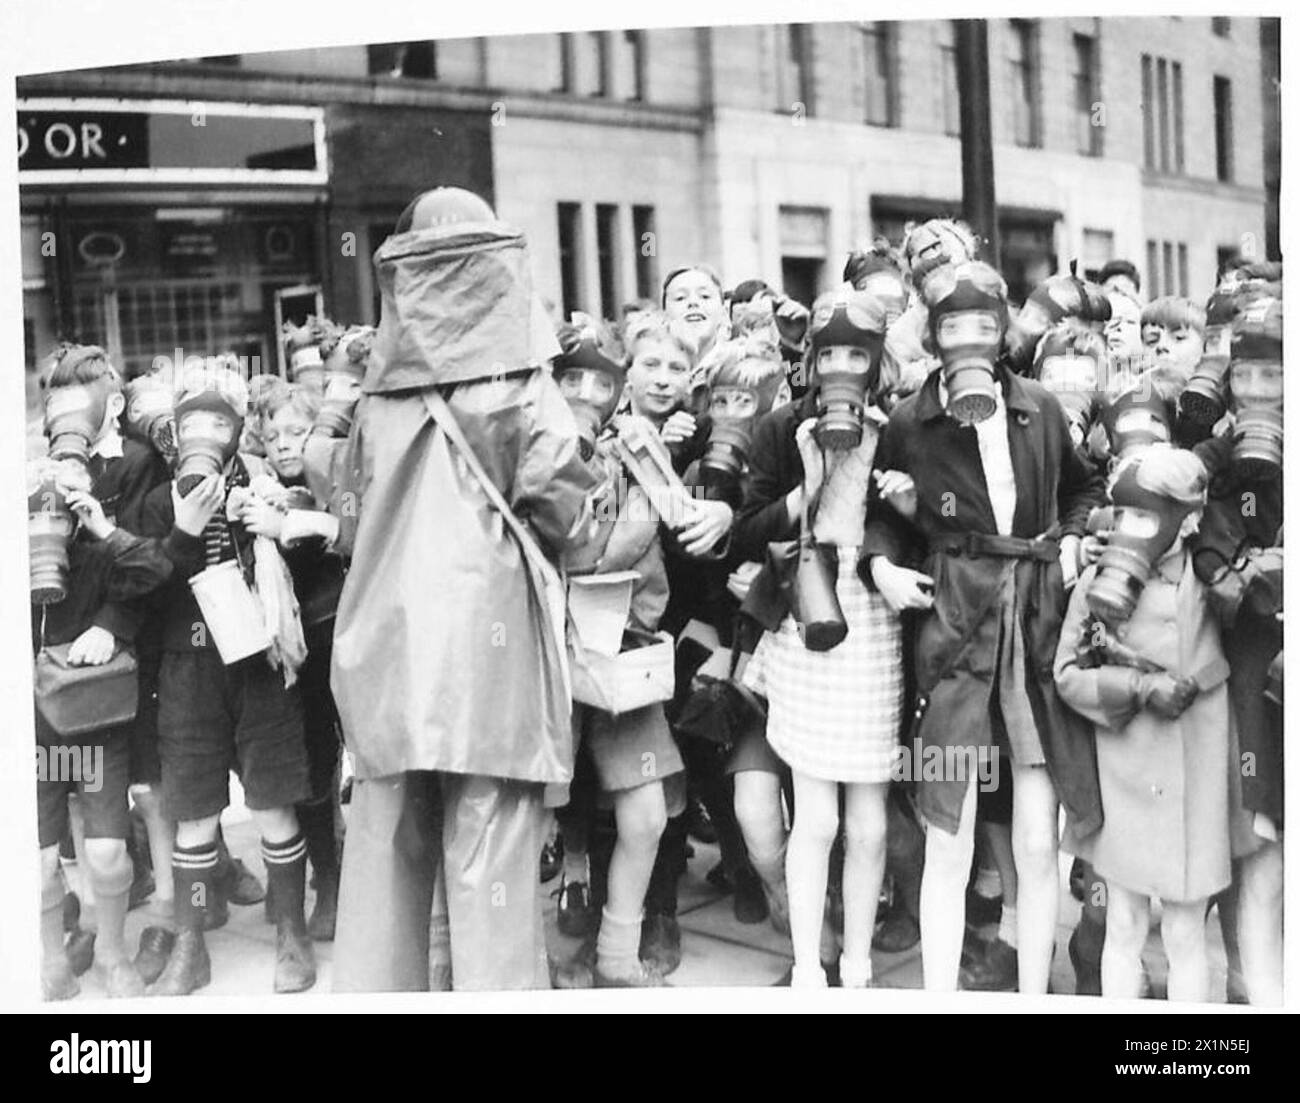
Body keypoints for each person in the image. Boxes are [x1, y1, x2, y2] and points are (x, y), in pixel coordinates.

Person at [311, 187, 600, 991]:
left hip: (385, 647)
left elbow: (350, 510)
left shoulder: (375, 392)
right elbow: (571, 517)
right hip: (486, 658)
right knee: (491, 864)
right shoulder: (523, 383)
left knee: (381, 857)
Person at [863, 261, 1105, 994]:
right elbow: (881, 514)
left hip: (1032, 623)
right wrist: (881, 564)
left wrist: (1070, 537)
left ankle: (1034, 993)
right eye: (950, 326)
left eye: (982, 324)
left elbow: (1083, 485)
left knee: (1036, 838)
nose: (967, 338)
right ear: (931, 336)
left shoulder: (1039, 406)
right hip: (953, 628)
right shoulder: (910, 417)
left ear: (1003, 331)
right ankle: (939, 997)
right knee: (948, 829)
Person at [734, 288, 904, 988]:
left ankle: (858, 960)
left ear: (875, 361)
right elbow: (744, 532)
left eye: (855, 354)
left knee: (867, 822)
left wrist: (895, 505)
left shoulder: (899, 427)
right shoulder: (780, 428)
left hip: (871, 627)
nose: (840, 365)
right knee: (817, 817)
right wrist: (803, 493)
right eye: (827, 351)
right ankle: (809, 962)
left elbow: (918, 529)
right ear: (810, 358)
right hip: (806, 621)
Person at [139, 364, 317, 996]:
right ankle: (191, 944)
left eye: (220, 423)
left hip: (257, 661)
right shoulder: (159, 501)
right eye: (194, 423)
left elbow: (312, 539)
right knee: (192, 813)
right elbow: (141, 588)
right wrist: (184, 532)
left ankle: (290, 932)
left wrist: (266, 523)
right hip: (186, 668)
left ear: (241, 431)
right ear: (175, 432)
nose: (207, 434)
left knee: (272, 799)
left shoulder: (264, 486)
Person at [1055, 448, 1250, 1001]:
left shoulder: (1216, 582)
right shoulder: (1102, 579)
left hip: (1199, 768)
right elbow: (1066, 674)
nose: (1129, 529)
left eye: (1147, 515)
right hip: (1126, 770)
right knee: (1123, 925)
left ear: (1188, 520)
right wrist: (1136, 688)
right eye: (1124, 515)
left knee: (1187, 932)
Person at [32, 343, 176, 999]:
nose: (67, 424)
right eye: (55, 409)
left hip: (107, 672)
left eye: (77, 409)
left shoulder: (140, 465)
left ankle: (124, 944)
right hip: (40, 680)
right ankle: (57, 954)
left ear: (111, 405)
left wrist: (109, 623)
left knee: (117, 826)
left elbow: (152, 566)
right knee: (41, 847)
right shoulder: (33, 473)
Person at [549, 325, 687, 988]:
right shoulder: (527, 452)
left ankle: (615, 950)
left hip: (618, 657)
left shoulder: (634, 446)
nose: (586, 393)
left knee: (647, 813)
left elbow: (672, 519)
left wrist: (648, 468)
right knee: (533, 813)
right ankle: (518, 949)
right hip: (542, 660)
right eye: (571, 378)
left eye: (602, 381)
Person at [240, 380, 350, 942]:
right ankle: (324, 880)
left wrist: (297, 521)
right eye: (274, 434)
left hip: (344, 636)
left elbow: (351, 534)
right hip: (293, 651)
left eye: (298, 433)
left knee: (355, 753)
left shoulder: (334, 481)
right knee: (311, 761)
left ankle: (349, 877)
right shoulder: (255, 487)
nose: (286, 446)